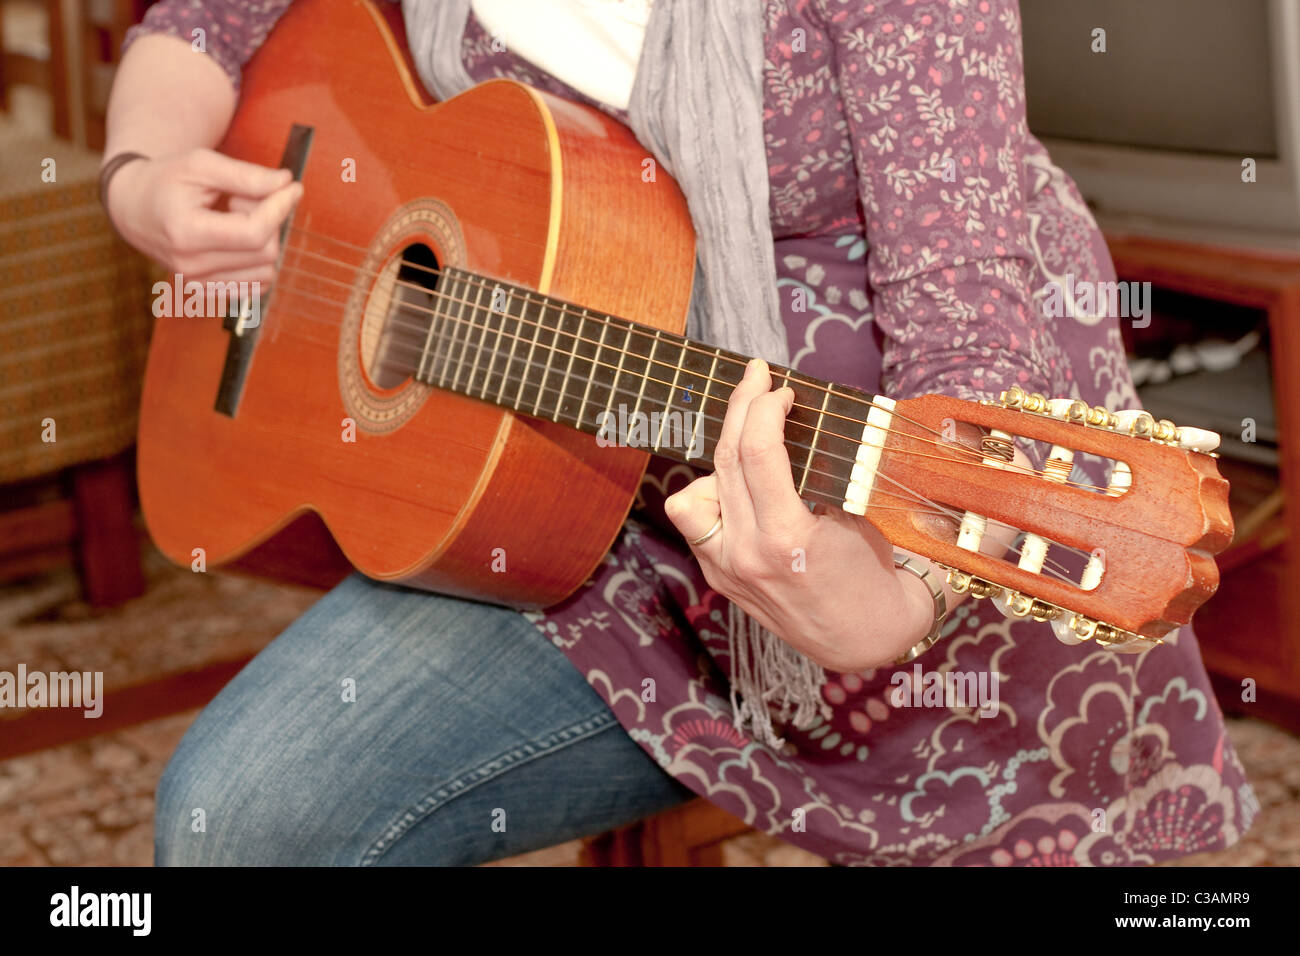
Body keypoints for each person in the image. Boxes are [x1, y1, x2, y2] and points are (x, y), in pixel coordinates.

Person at [103, 0, 1255, 866]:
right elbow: (203, 23)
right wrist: (143, 181)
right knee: (236, 814)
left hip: (866, 484)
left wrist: (889, 596)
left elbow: (968, 334)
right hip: (527, 491)